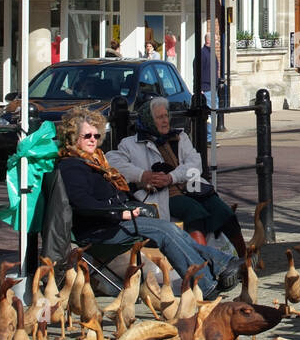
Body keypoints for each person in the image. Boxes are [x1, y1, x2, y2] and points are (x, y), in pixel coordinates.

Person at [56, 108, 238, 298]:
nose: (93, 139)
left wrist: (128, 207)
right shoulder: (72, 166)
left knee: (169, 229)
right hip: (97, 231)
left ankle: (218, 267)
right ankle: (208, 280)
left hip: (114, 221)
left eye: (96, 135)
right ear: (72, 137)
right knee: (164, 231)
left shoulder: (95, 161)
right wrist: (119, 213)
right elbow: (82, 203)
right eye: (87, 136)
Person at [107, 97, 247, 260]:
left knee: (223, 212)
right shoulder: (130, 144)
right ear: (148, 120)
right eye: (160, 117)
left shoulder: (180, 137)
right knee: (194, 212)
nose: (166, 121)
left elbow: (195, 164)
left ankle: (244, 262)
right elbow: (113, 162)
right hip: (161, 195)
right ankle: (203, 266)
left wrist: (171, 177)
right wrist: (143, 175)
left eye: (166, 116)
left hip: (190, 187)